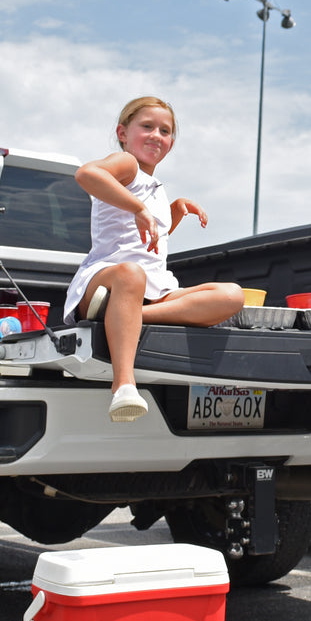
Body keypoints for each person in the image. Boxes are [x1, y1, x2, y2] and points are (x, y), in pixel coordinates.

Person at [63, 96, 244, 423]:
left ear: (171, 142)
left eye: (165, 130)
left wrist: (171, 213)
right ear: (123, 132)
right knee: (132, 274)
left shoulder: (155, 187)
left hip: (151, 289)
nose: (156, 135)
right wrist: (138, 208)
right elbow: (86, 174)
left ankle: (130, 317)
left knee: (231, 295)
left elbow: (145, 244)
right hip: (109, 278)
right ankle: (123, 386)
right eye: (146, 127)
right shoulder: (126, 164)